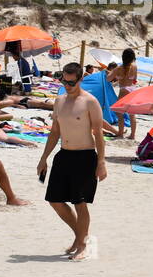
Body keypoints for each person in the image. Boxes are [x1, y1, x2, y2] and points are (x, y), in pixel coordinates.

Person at [38, 63, 107, 260]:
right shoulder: (59, 101)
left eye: (71, 82)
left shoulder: (90, 102)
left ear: (80, 79)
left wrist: (101, 162)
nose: (67, 85)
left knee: (80, 202)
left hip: (85, 157)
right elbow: (54, 132)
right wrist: (44, 158)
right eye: (64, 81)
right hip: (64, 155)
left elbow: (98, 134)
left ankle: (83, 245)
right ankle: (79, 236)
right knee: (55, 200)